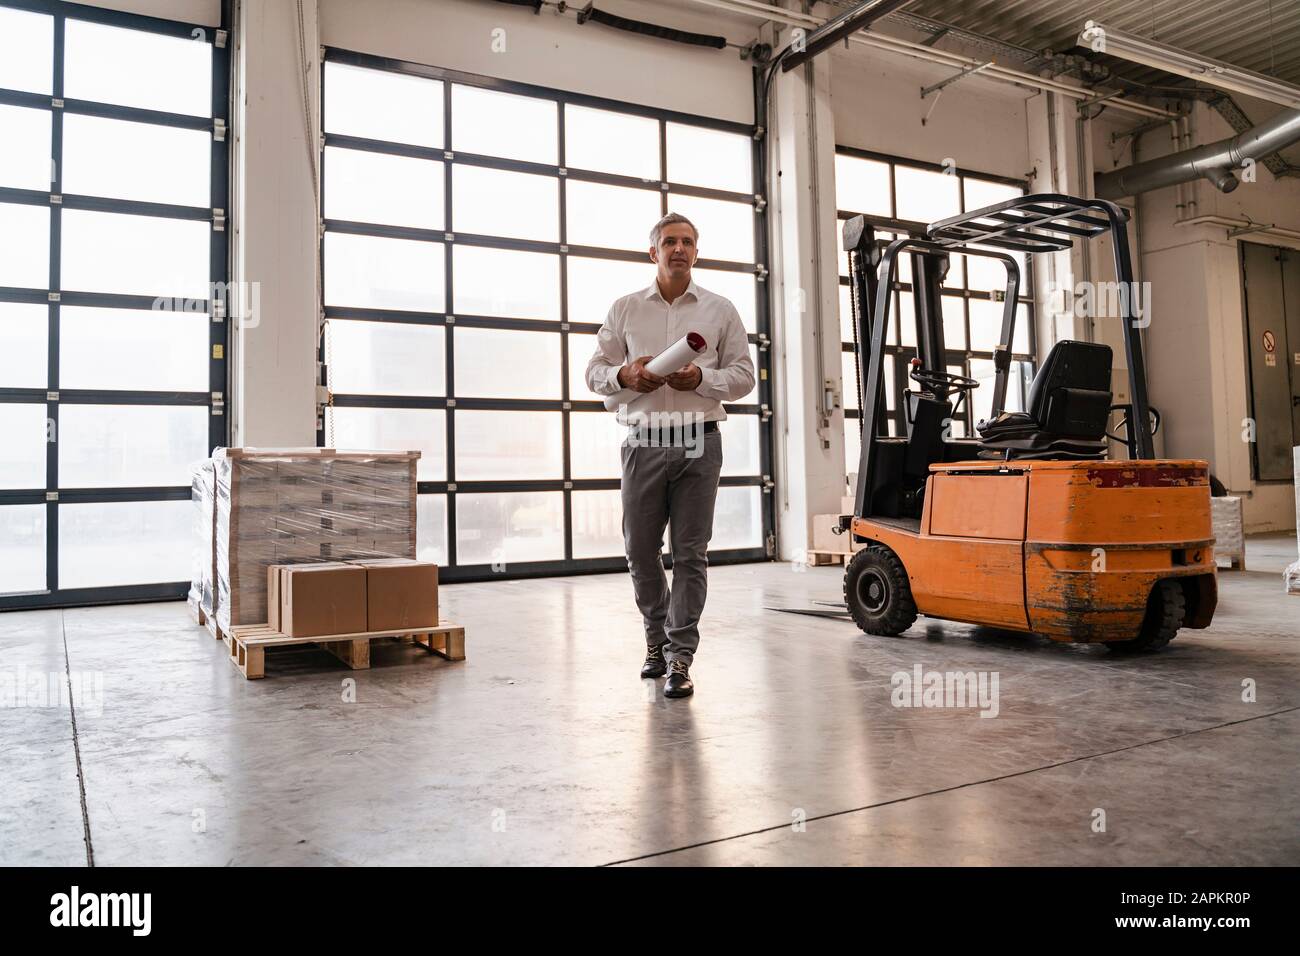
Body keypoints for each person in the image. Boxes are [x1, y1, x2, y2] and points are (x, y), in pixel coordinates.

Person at [585, 212, 756, 698]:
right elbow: (595, 371)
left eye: (686, 242)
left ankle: (680, 657)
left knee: (690, 554)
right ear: (653, 252)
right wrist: (624, 377)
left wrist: (702, 379)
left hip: (700, 440)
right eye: (668, 242)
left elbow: (744, 376)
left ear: (696, 253)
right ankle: (655, 638)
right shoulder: (625, 309)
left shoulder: (720, 310)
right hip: (643, 439)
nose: (678, 249)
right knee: (640, 551)